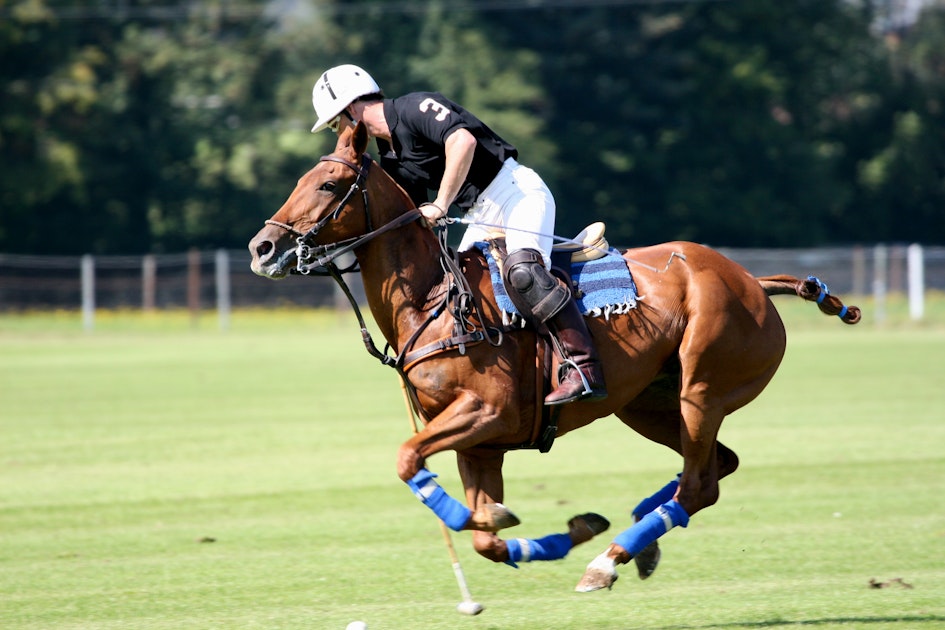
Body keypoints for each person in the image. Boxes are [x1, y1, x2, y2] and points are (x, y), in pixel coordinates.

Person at [310, 64, 606, 406]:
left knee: (524, 273)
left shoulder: (414, 107)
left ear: (350, 109)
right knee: (459, 295)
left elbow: (462, 141)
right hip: (477, 213)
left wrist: (440, 203)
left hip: (515, 192)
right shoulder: (390, 156)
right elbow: (409, 218)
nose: (338, 134)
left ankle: (584, 368)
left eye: (334, 124)